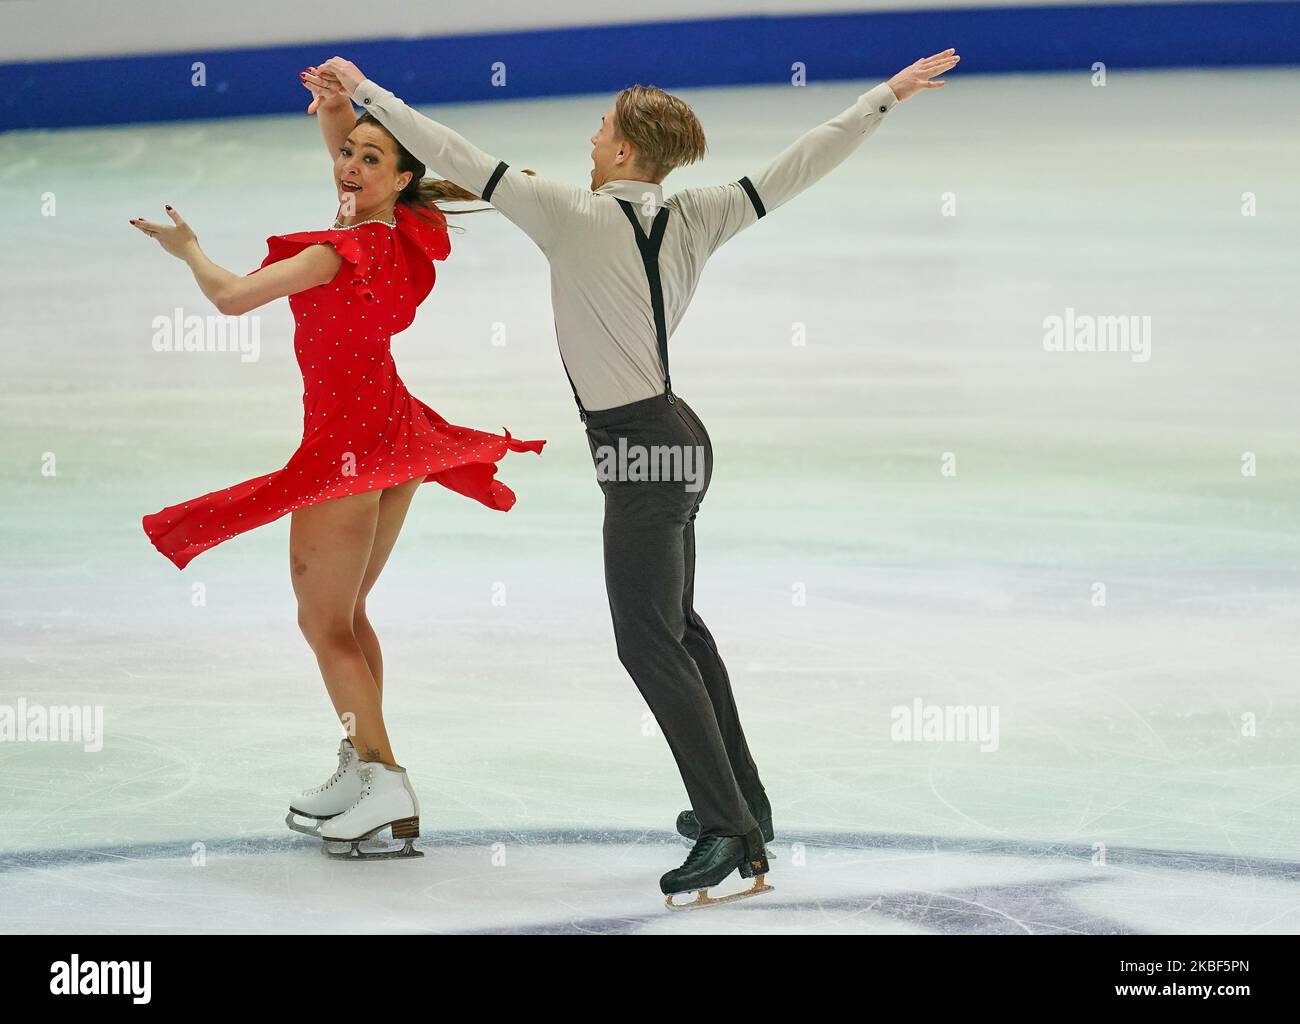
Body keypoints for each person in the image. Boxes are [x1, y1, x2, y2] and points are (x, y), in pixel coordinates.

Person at [309, 46, 959, 900]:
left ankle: (728, 829)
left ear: (622, 153)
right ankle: (745, 807)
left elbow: (455, 152)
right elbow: (801, 162)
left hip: (642, 448)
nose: (590, 135)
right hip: (677, 438)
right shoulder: (701, 213)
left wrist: (364, 93)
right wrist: (882, 98)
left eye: (602, 128)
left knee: (649, 641)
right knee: (680, 632)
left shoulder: (567, 214)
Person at [131, 78, 546, 858]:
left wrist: (187, 250)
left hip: (346, 456)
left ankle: (384, 781)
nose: (348, 167)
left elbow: (229, 297)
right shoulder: (402, 230)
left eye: (368, 158)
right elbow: (363, 171)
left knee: (324, 625)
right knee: (348, 618)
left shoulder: (334, 252)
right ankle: (364, 768)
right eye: (347, 155)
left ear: (403, 177)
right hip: (392, 438)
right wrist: (338, 110)